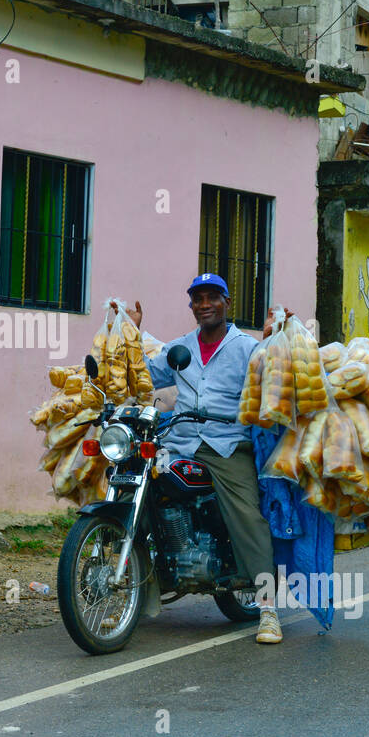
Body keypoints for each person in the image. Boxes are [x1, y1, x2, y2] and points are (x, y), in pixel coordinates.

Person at [127, 273, 291, 645]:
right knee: (137, 479)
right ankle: (136, 583)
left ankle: (267, 609)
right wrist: (133, 336)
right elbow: (144, 379)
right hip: (181, 440)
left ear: (226, 303)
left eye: (212, 297)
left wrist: (271, 339)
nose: (204, 304)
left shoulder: (245, 348)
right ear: (192, 307)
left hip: (226, 443)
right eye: (197, 299)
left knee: (247, 516)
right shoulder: (180, 347)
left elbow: (270, 380)